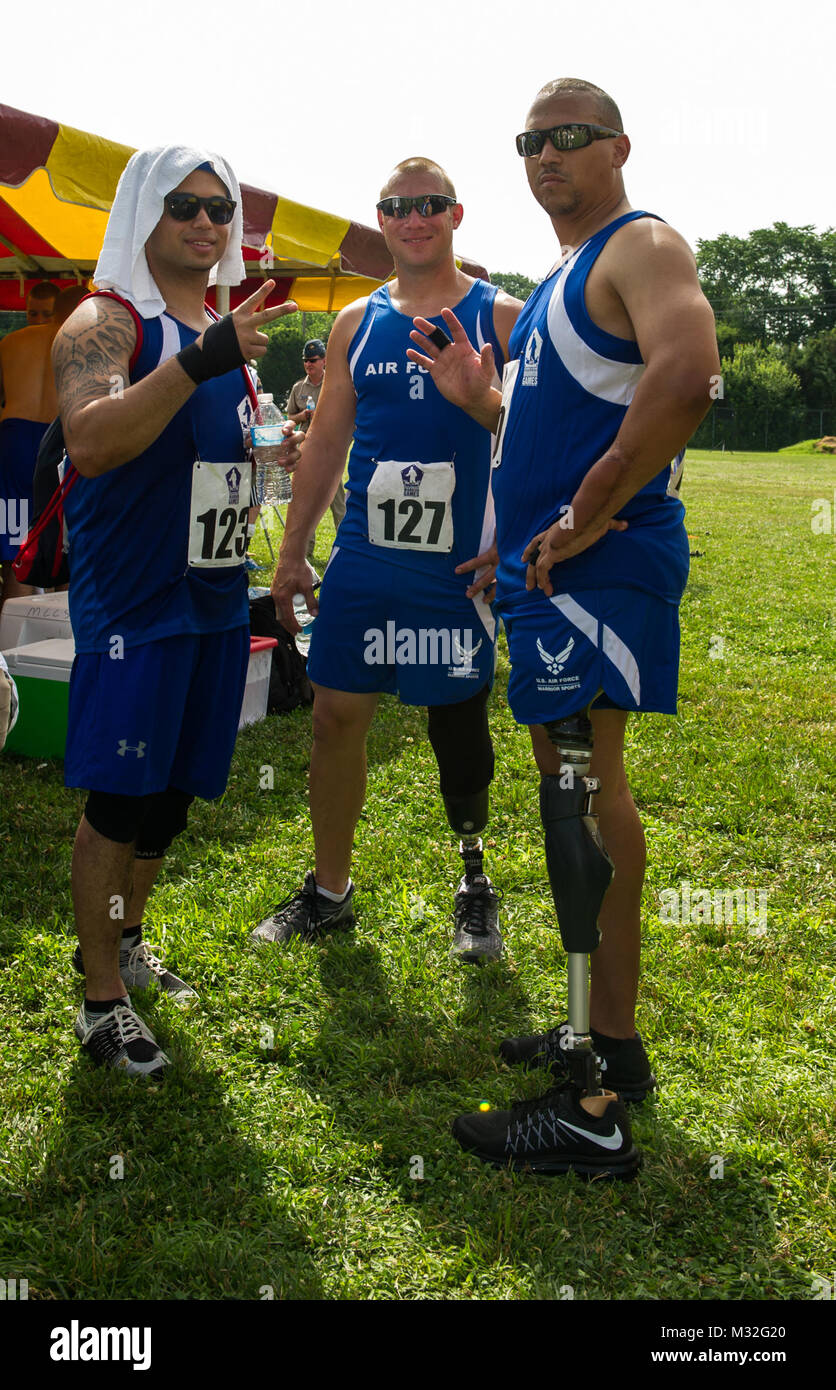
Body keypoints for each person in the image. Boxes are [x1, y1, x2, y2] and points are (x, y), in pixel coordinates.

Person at [409, 78, 719, 1174]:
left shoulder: (641, 245)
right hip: (547, 571)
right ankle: (609, 1041)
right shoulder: (554, 283)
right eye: (530, 140)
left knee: (582, 794)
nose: (545, 154)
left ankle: (589, 1102)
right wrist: (484, 421)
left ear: (617, 145)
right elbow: (558, 419)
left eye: (568, 136)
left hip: (599, 564)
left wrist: (585, 511)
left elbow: (687, 374)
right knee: (568, 790)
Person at [53, 146, 300, 1076]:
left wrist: (277, 455)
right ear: (143, 214)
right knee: (119, 800)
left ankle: (125, 937)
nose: (206, 222)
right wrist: (202, 358)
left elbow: (232, 454)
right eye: (185, 205)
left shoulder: (226, 336)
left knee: (172, 798)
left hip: (213, 595)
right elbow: (93, 437)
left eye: (220, 208)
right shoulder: (104, 322)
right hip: (135, 602)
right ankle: (99, 995)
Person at [253, 157, 521, 960]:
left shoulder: (502, 315)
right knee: (336, 717)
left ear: (455, 214)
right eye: (397, 206)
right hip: (366, 558)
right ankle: (329, 890)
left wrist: (518, 534)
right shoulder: (356, 323)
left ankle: (474, 879)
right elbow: (328, 439)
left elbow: (546, 433)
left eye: (428, 204)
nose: (413, 218)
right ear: (382, 218)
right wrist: (294, 551)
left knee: (456, 721)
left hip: (458, 563)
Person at [0, 285, 88, 612]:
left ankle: (8, 649)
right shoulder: (85, 343)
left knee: (14, 547)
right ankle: (63, 636)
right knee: (65, 544)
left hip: (13, 439)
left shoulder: (12, 341)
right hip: (57, 439)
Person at [285, 338, 346, 561]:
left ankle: (344, 547)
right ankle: (305, 550)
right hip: (304, 450)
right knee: (303, 500)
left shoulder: (335, 384)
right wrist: (302, 416)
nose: (309, 364)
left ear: (324, 361)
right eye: (306, 361)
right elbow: (290, 416)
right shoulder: (298, 387)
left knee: (336, 499)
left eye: (313, 360)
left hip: (330, 449)